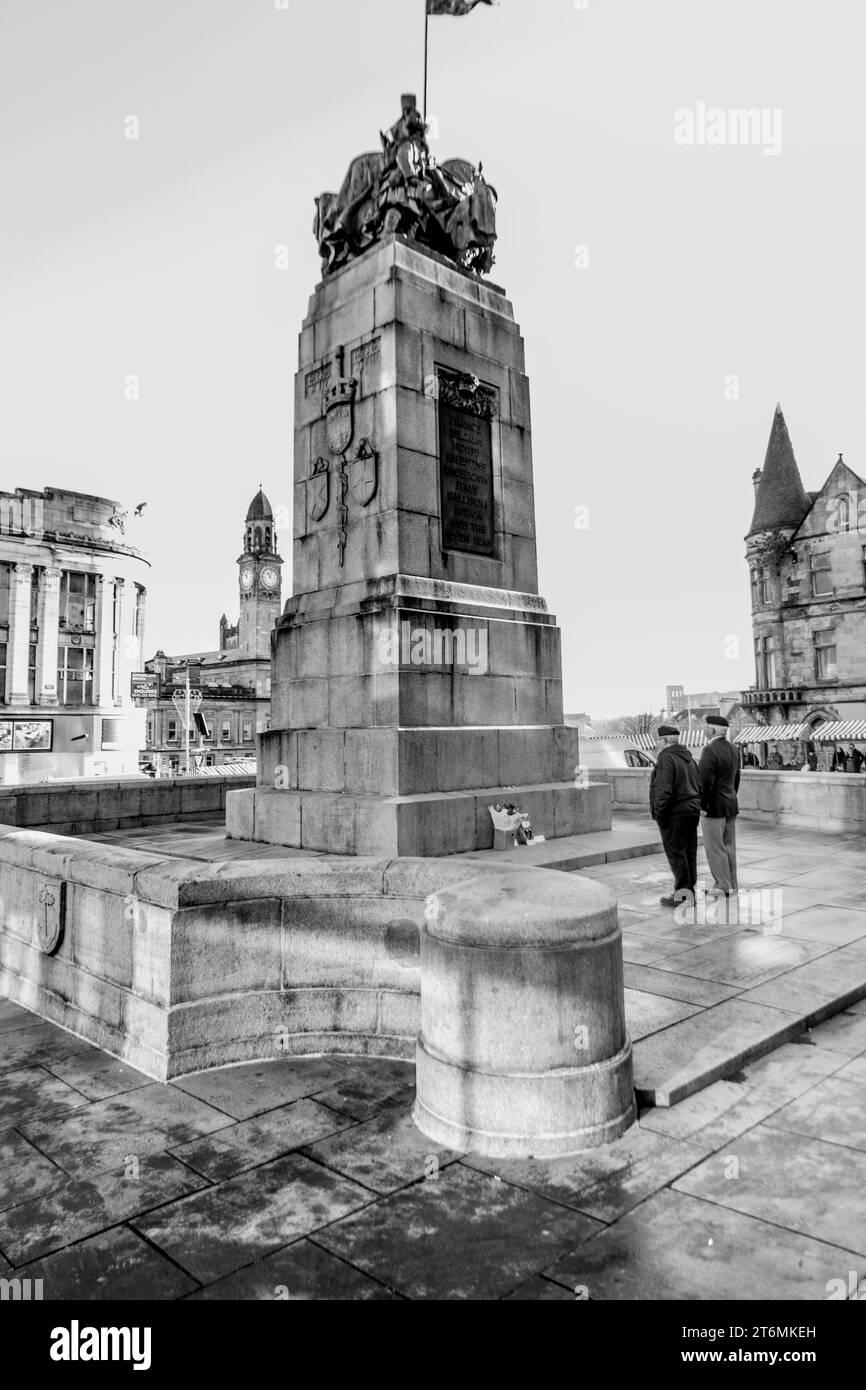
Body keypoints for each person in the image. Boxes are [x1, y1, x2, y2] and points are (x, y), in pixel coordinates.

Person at [649, 725, 702, 907]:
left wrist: (661, 816)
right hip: (691, 811)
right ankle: (689, 891)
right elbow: (699, 785)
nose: (656, 744)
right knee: (689, 852)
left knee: (676, 853)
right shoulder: (689, 758)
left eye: (658, 740)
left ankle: (683, 895)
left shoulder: (666, 759)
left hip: (675, 814)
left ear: (664, 741)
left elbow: (664, 792)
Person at [698, 714, 740, 897]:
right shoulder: (733, 748)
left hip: (713, 807)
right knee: (729, 847)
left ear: (713, 730)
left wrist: (702, 805)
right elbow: (736, 777)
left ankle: (722, 886)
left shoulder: (709, 750)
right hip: (730, 804)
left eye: (706, 727)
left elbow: (704, 781)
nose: (704, 730)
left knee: (715, 848)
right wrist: (731, 796)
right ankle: (732, 885)